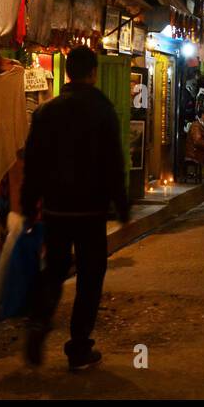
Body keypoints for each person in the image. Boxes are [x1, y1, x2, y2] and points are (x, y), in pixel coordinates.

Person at [22, 45, 130, 372]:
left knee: (53, 269)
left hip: (56, 210)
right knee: (89, 278)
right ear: (93, 72)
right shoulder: (103, 110)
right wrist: (121, 204)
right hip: (90, 211)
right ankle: (79, 347)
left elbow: (34, 164)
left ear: (68, 71)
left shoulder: (46, 112)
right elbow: (114, 162)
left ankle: (39, 322)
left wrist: (29, 204)